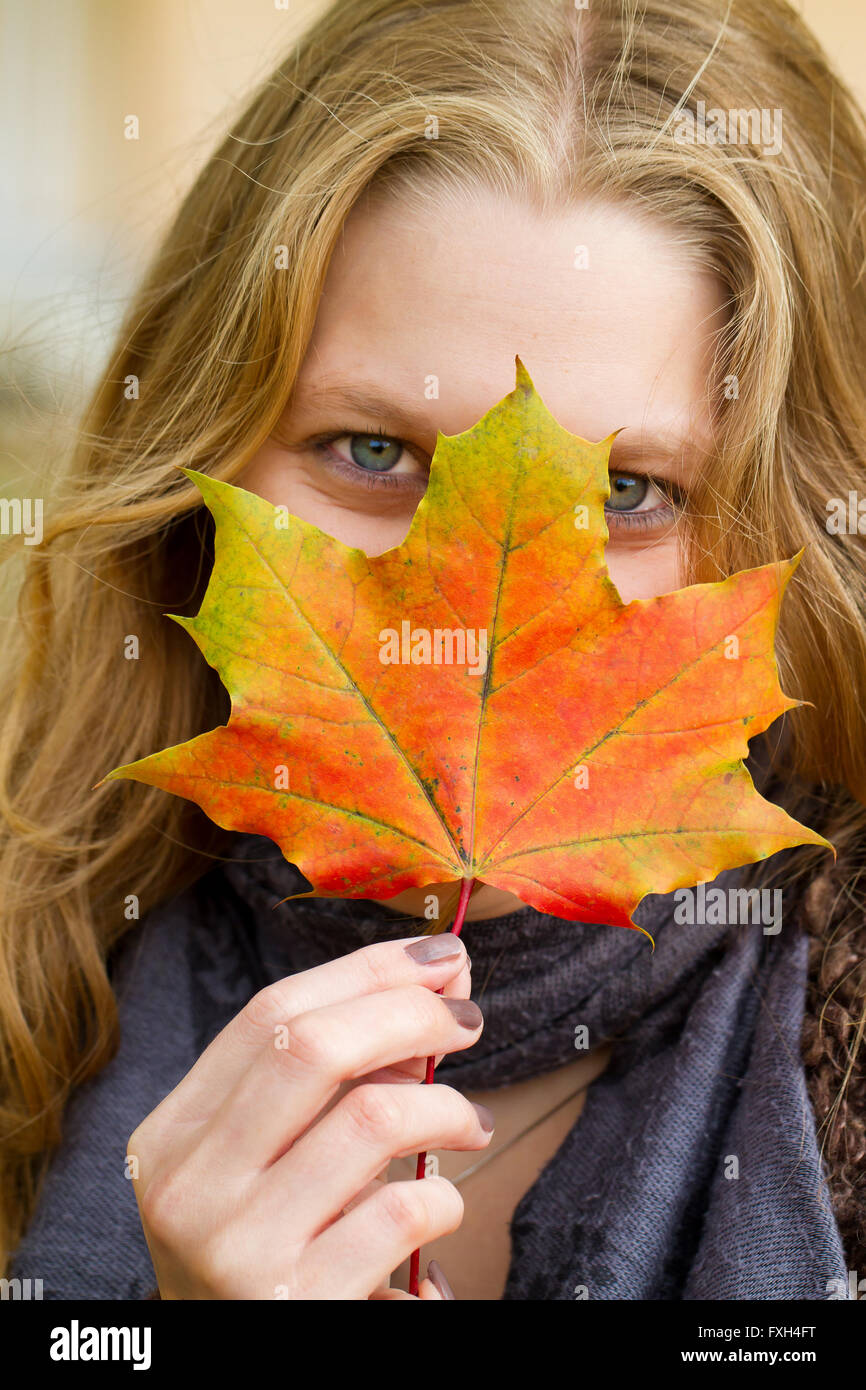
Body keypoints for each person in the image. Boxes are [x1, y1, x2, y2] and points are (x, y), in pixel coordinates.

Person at [2, 0, 865, 1300]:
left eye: (628, 490)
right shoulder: (36, 977)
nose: (466, 639)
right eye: (370, 452)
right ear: (200, 470)